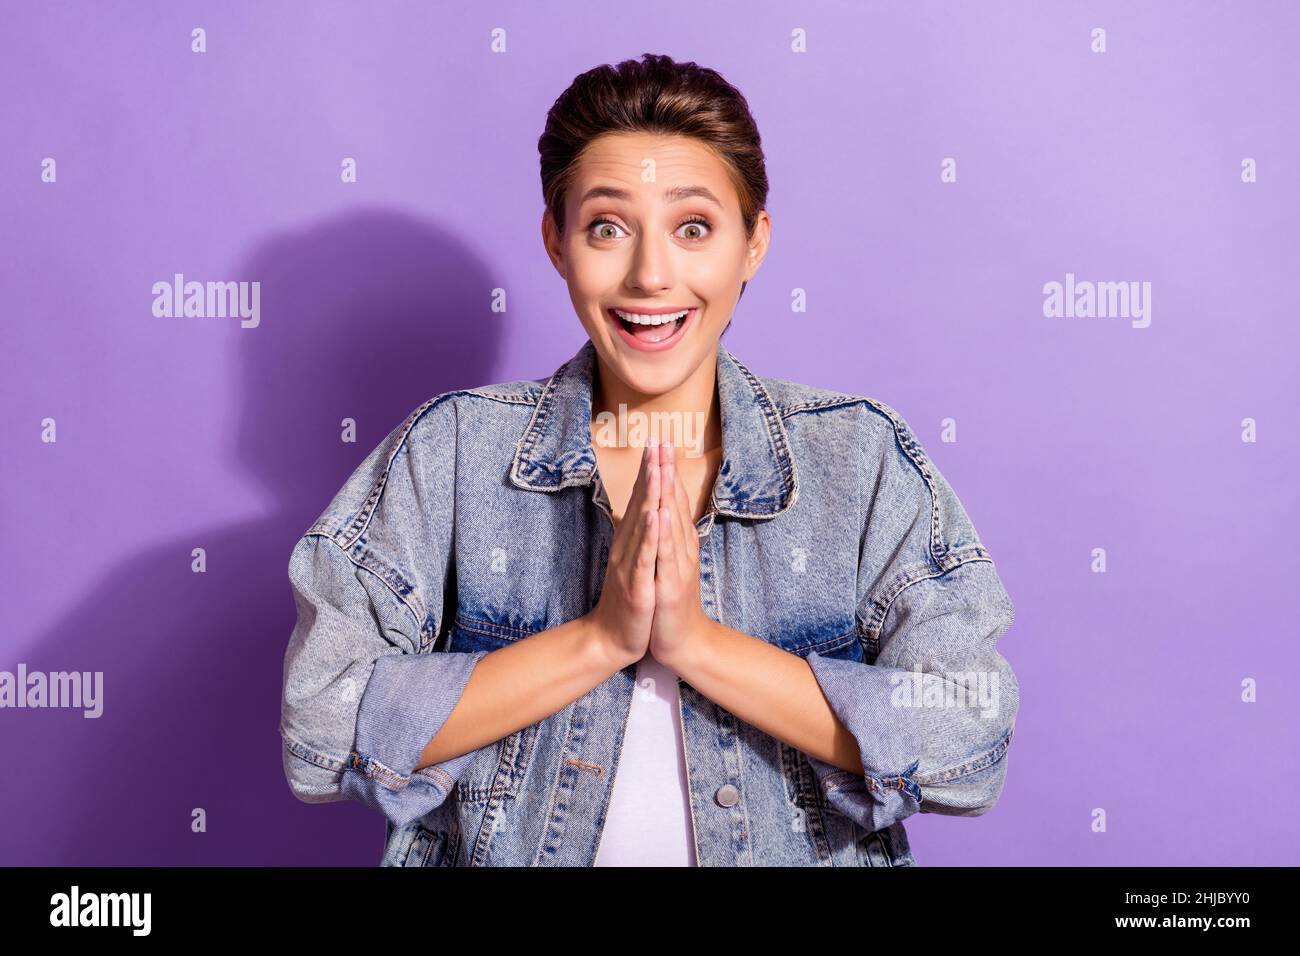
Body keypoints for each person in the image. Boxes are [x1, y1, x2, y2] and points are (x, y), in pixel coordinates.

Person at [280, 53, 1020, 867]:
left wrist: (699, 644)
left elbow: (968, 736)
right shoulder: (452, 452)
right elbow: (320, 724)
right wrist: (599, 639)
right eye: (607, 227)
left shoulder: (858, 458)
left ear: (753, 244)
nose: (650, 275)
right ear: (557, 244)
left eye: (693, 227)